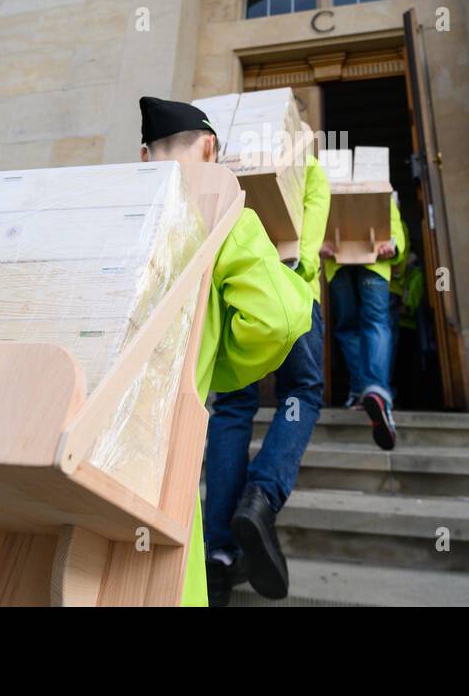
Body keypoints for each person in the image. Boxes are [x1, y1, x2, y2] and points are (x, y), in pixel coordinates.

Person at [137, 96, 312, 607]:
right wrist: (225, 366)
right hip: (163, 450)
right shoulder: (219, 213)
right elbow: (274, 319)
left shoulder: (106, 211)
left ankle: (222, 548)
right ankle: (256, 502)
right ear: (211, 147)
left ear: (144, 156)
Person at [204, 124, 329, 606]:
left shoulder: (224, 166)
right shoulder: (305, 162)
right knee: (302, 393)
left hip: (237, 295)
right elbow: (312, 222)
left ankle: (219, 553)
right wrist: (299, 266)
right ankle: (261, 497)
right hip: (292, 292)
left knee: (234, 405)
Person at [323, 190, 407, 450]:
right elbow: (394, 222)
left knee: (349, 327)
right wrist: (394, 246)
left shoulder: (326, 191)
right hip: (373, 261)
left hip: (338, 263)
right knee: (376, 324)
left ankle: (361, 391)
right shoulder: (381, 190)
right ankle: (375, 390)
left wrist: (317, 243)